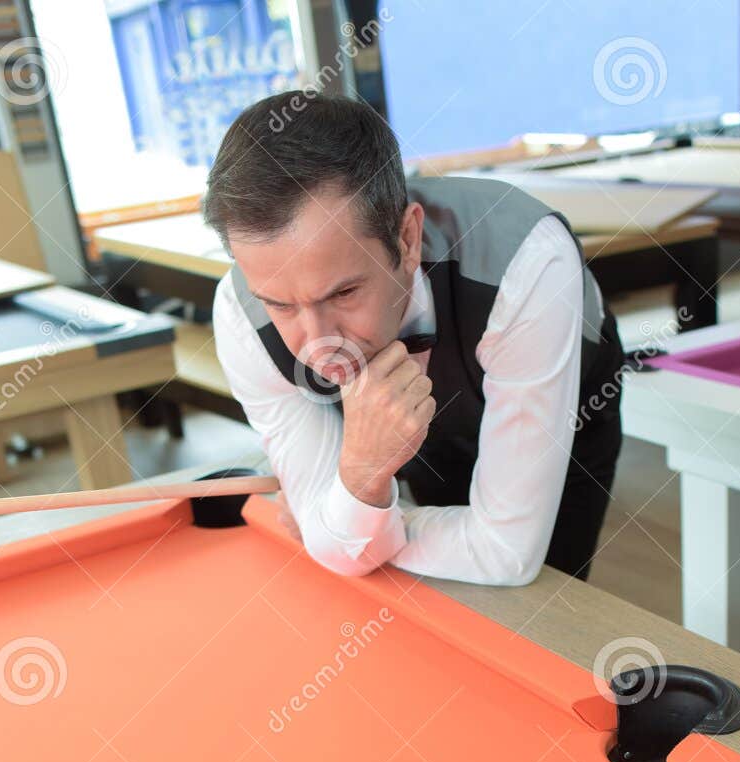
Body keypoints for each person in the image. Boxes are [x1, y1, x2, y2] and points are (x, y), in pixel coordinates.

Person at [206, 91, 624, 585]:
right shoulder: (240, 318)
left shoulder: (529, 264)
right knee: (435, 590)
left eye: (343, 292)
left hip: (572, 402)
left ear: (406, 240)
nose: (320, 346)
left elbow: (505, 555)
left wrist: (340, 521)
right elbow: (348, 548)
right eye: (280, 304)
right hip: (404, 426)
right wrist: (360, 487)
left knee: (546, 602)